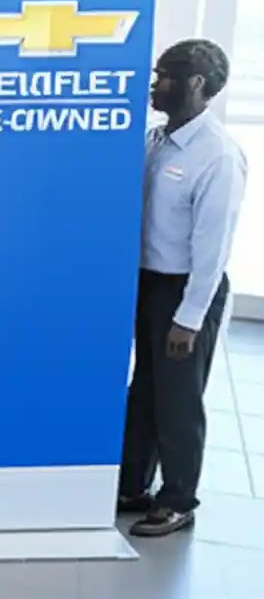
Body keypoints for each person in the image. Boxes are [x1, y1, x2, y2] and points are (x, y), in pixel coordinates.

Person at [117, 38, 248, 537]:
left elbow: (212, 248)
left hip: (185, 290)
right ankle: (133, 486)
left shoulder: (217, 156)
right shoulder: (156, 140)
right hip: (147, 283)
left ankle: (178, 500)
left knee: (178, 398)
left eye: (166, 75)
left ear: (196, 83)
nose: (155, 84)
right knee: (144, 390)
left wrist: (189, 318)